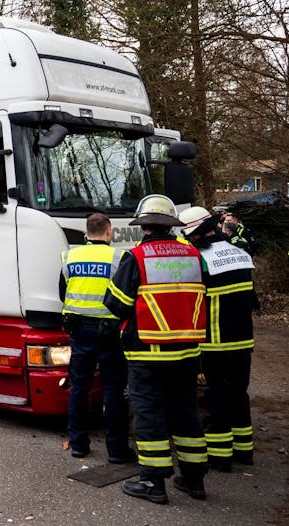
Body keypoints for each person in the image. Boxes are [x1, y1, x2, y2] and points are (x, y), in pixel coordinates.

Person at [104, 195, 209, 504]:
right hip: (187, 351)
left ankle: (153, 481)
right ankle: (194, 479)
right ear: (170, 225)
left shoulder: (136, 257)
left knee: (149, 414)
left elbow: (116, 303)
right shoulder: (193, 255)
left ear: (144, 225)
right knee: (186, 412)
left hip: (148, 352)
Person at [179, 206, 258, 471]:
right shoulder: (240, 253)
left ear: (196, 234)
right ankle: (244, 450)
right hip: (243, 341)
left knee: (215, 397)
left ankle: (220, 456)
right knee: (239, 394)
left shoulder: (200, 260)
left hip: (215, 343)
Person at [59, 213, 132, 463]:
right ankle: (117, 450)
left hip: (78, 330)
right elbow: (125, 296)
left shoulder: (70, 256)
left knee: (79, 388)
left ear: (87, 232)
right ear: (109, 231)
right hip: (109, 332)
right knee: (113, 390)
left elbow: (63, 292)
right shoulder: (119, 257)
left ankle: (78, 444)